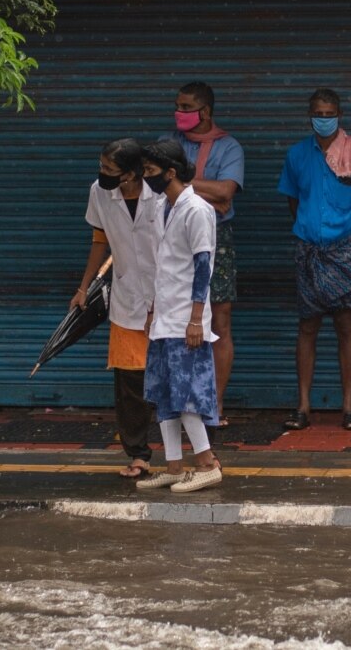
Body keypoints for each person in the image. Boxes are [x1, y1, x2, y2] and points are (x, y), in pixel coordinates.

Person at [278, 88, 351, 432]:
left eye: (330, 113)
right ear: (309, 116)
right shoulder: (296, 155)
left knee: (346, 325)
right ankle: (303, 406)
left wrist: (343, 225)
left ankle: (349, 407)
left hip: (346, 250)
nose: (324, 119)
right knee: (307, 326)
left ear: (340, 115)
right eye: (318, 114)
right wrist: (311, 228)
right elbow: (293, 200)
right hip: (309, 250)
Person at [71, 138, 164, 479]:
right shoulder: (99, 192)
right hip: (126, 298)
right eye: (102, 168)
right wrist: (85, 287)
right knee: (129, 384)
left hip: (166, 298)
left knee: (169, 379)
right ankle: (139, 453)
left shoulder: (161, 195)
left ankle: (185, 454)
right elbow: (100, 240)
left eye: (109, 170)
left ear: (130, 173)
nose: (102, 174)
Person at [136, 140, 222, 493]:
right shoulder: (162, 207)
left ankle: (207, 463)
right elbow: (163, 265)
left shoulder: (197, 210)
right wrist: (153, 310)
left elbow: (203, 268)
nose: (146, 177)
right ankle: (173, 465)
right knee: (164, 394)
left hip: (187, 318)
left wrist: (195, 320)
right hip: (164, 317)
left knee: (186, 395)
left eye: (151, 172)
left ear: (170, 172)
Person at [163, 81, 244, 430]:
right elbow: (158, 187)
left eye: (185, 107)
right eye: (177, 106)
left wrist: (181, 183)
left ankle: (216, 404)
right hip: (173, 238)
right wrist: (207, 190)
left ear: (205, 111)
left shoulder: (229, 148)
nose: (178, 113)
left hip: (217, 238)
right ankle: (183, 403)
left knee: (218, 322)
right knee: (178, 321)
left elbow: (228, 191)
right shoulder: (170, 144)